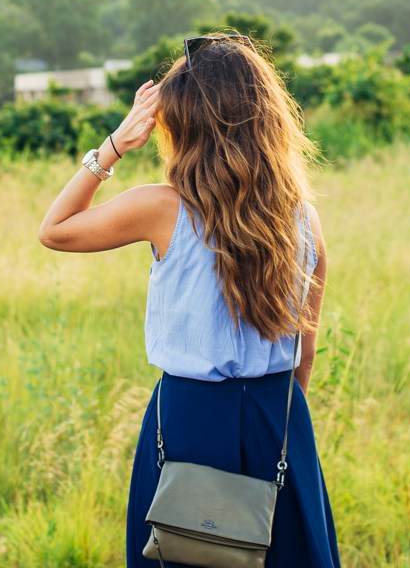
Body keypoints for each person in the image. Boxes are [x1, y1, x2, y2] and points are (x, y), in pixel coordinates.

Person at [37, 31, 341, 567]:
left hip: (190, 419)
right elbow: (306, 352)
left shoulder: (161, 209)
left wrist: (113, 145)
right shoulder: (304, 220)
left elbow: (56, 230)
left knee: (184, 550)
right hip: (280, 414)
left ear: (185, 127)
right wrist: (277, 421)